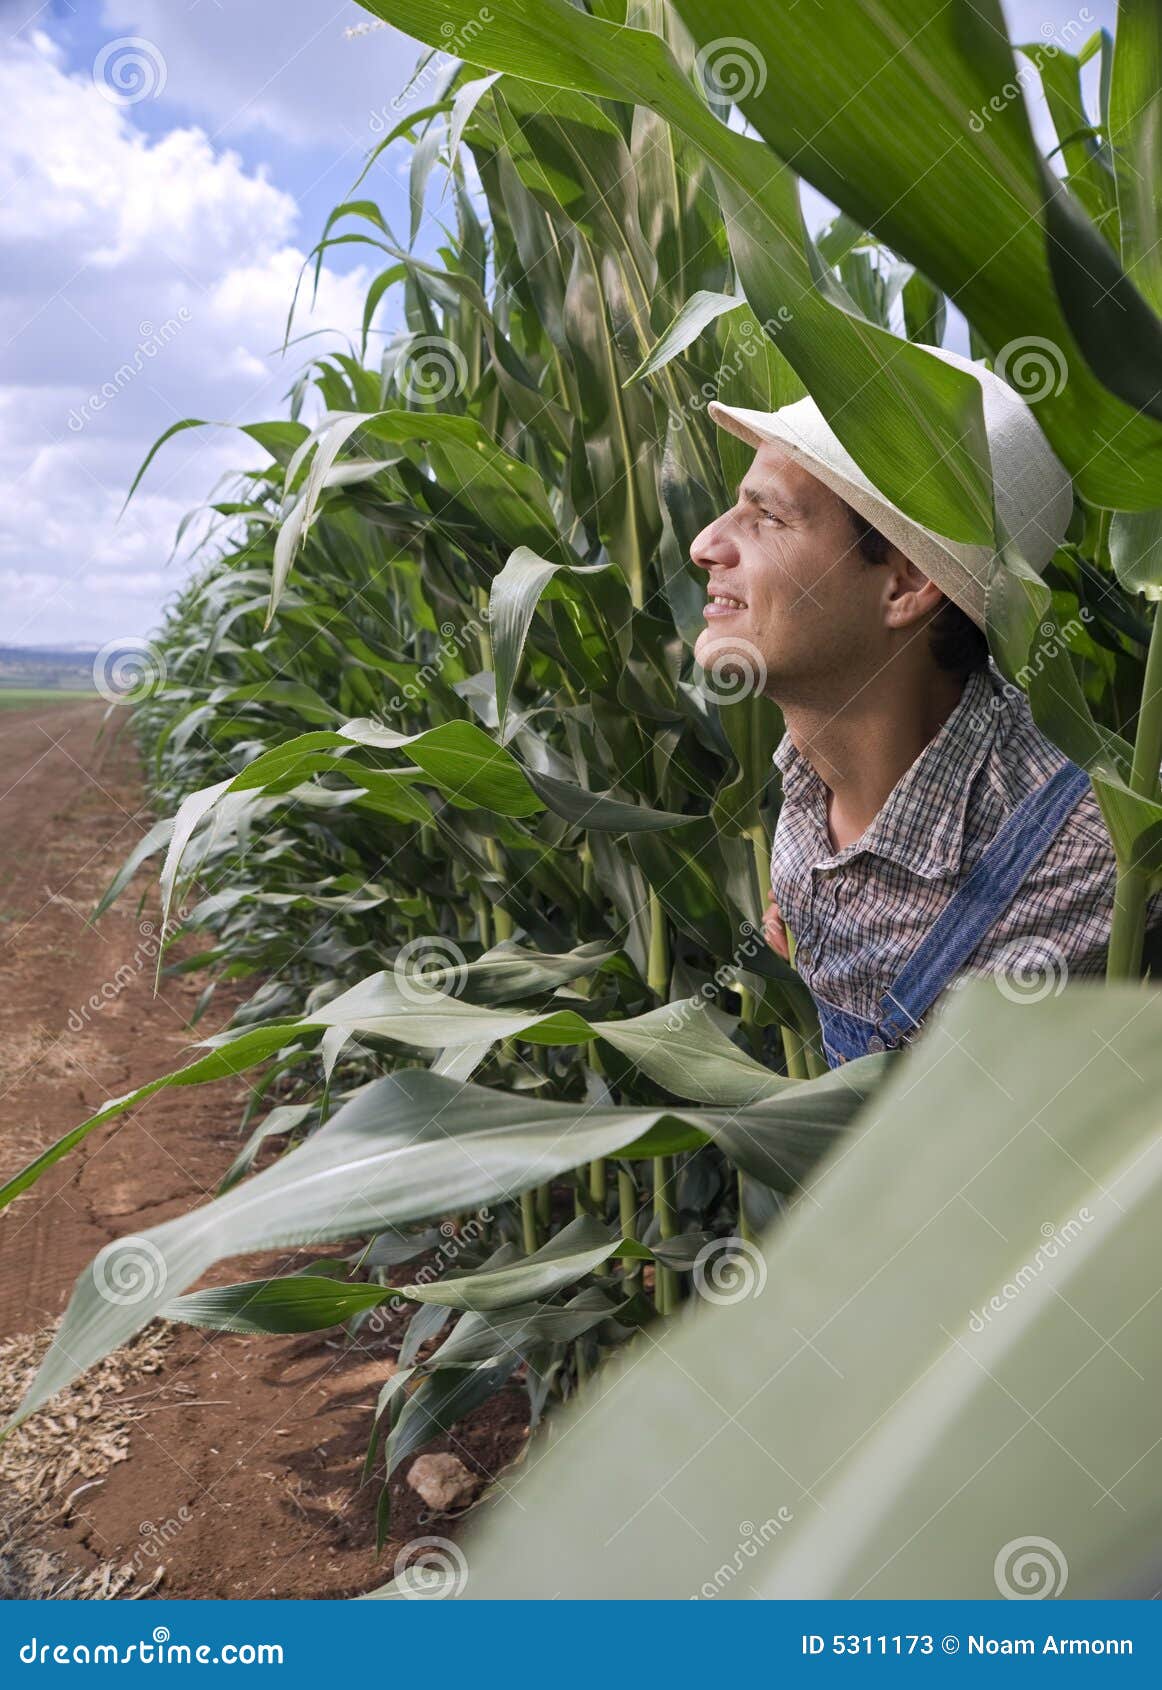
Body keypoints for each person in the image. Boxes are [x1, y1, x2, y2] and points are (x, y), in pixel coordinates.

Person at [689, 344, 1149, 1068]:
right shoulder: (806, 780)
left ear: (904, 581)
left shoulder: (1102, 867)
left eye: (768, 518)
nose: (705, 544)